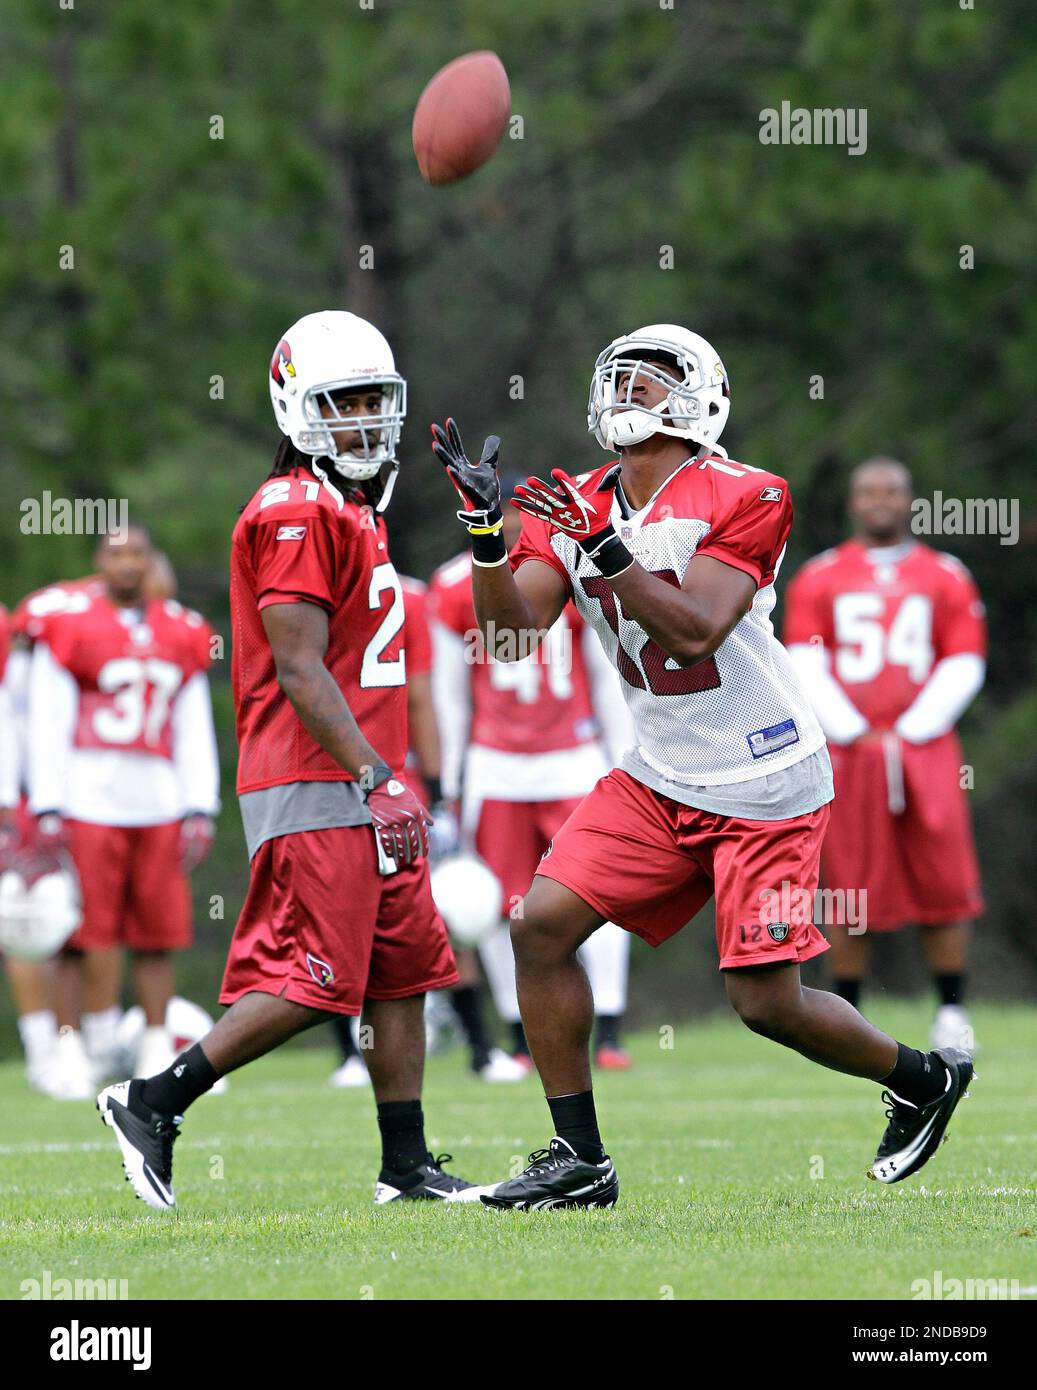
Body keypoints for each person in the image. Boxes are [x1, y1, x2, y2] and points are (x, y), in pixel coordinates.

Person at [432, 323, 974, 1209]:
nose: (625, 396)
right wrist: (488, 533)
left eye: (645, 384)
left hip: (763, 776)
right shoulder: (574, 501)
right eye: (617, 381)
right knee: (537, 926)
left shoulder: (746, 491)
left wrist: (604, 548)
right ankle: (578, 1159)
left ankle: (922, 1079)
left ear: (695, 400)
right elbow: (504, 635)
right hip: (658, 771)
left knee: (765, 1004)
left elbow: (692, 628)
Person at [96, 310, 473, 1208]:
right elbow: (299, 669)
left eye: (376, 403)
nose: (365, 423)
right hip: (317, 775)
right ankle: (152, 1100)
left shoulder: (350, 507)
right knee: (318, 979)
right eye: (343, 405)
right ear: (297, 409)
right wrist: (377, 778)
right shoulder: (295, 508)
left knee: (406, 971)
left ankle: (406, 1166)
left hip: (367, 772)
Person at [783, 457, 986, 1050]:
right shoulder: (820, 575)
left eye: (891, 491)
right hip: (849, 752)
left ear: (908, 499)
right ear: (852, 501)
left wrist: (914, 728)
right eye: (868, 491)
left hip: (925, 749)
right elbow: (805, 657)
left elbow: (964, 658)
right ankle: (848, 1013)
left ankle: (951, 1008)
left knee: (943, 873)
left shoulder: (946, 574)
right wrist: (852, 728)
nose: (880, 500)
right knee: (850, 878)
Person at [429, 497, 636, 1071]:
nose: (514, 531)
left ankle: (610, 1028)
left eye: (523, 521)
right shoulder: (452, 587)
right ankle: (521, 1033)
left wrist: (621, 757)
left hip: (572, 754)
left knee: (598, 892)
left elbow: (606, 673)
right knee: (500, 904)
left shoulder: (567, 565)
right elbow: (450, 697)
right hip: (495, 763)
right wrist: (448, 781)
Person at [27, 527, 220, 1083]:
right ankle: (76, 1047)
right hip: (89, 796)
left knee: (158, 933)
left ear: (151, 560)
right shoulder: (69, 625)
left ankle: (156, 1044)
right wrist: (48, 800)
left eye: (136, 553)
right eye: (116, 554)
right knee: (81, 932)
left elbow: (191, 727)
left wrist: (198, 804)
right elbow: (50, 721)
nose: (127, 564)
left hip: (156, 798)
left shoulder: (181, 629)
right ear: (99, 562)